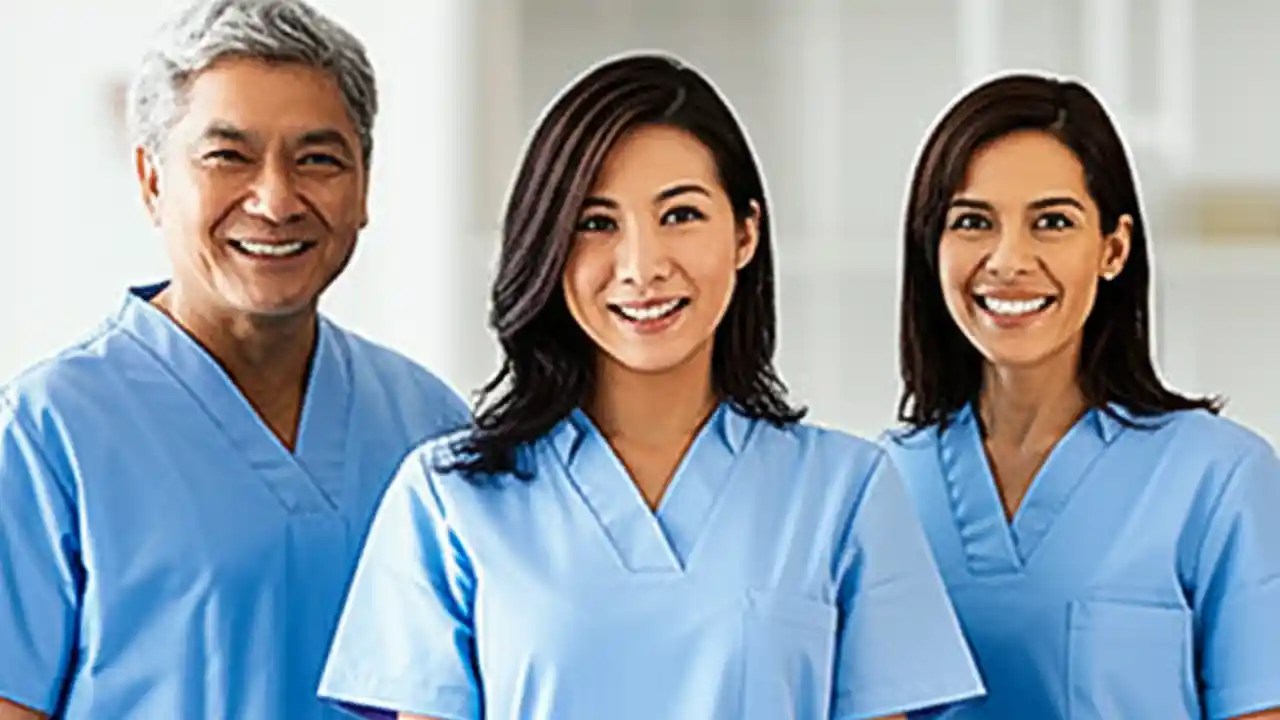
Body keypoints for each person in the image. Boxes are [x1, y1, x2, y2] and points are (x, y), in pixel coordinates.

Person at [316, 53, 985, 720]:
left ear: (745, 233)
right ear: (550, 245)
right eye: (596, 223)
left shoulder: (845, 493)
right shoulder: (447, 499)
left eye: (682, 215)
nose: (642, 267)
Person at [0, 1, 469, 717]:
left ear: (364, 186)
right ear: (153, 181)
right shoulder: (45, 433)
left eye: (317, 159)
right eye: (229, 156)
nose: (276, 200)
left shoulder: (429, 425)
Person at [883, 72, 1280, 719]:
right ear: (934, 247)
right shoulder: (881, 485)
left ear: (1113, 248)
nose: (1009, 259)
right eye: (973, 221)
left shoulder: (1221, 478)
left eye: (1052, 222)